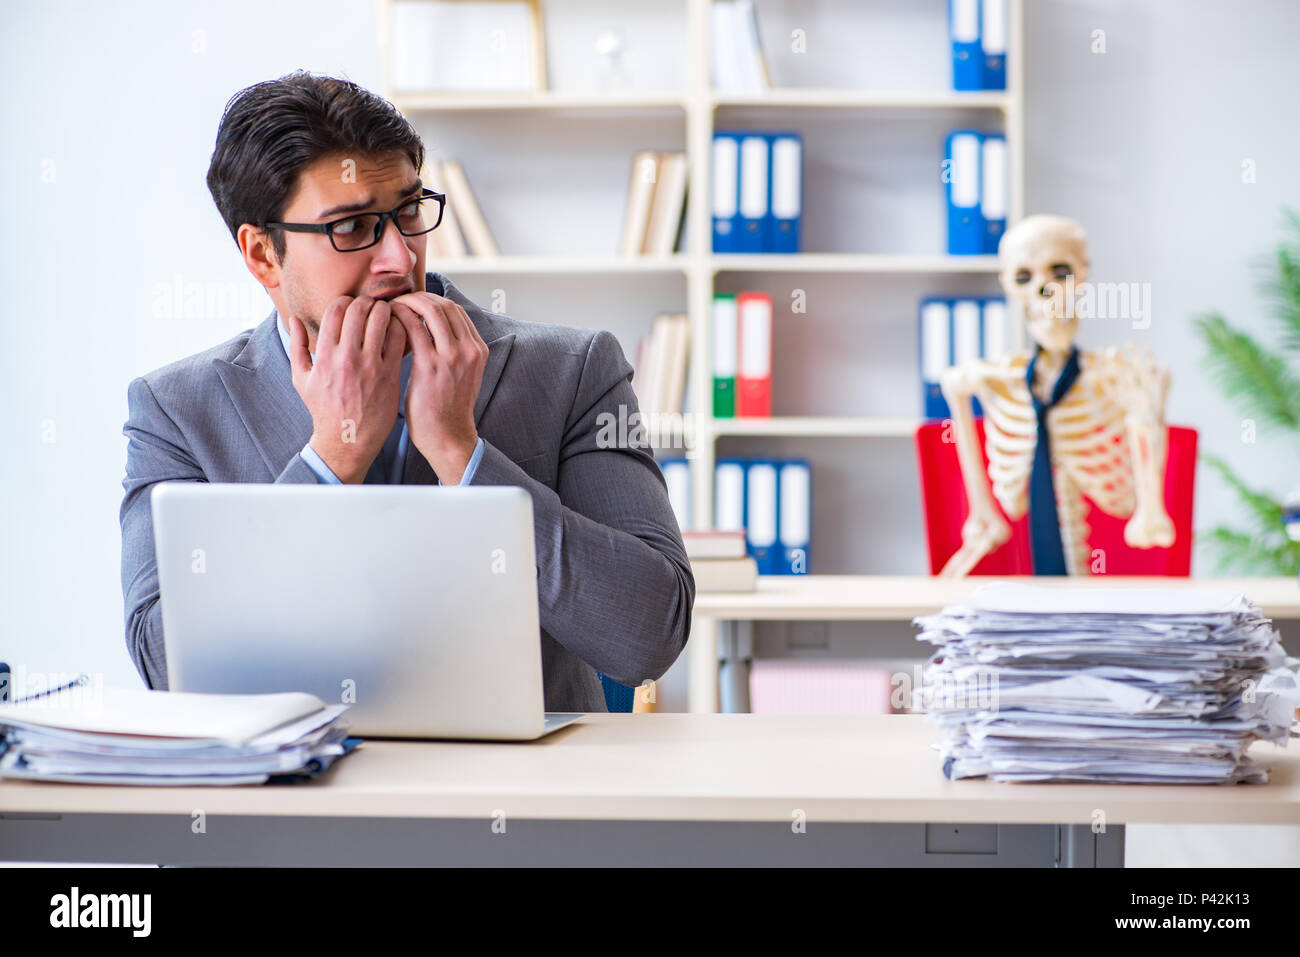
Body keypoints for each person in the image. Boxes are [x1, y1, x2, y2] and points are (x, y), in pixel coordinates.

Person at [119, 72, 694, 711]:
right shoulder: (175, 410)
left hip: (524, 793)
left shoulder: (573, 370)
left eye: (407, 212)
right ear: (262, 256)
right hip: (294, 800)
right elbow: (166, 664)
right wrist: (330, 461)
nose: (399, 257)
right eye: (352, 226)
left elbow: (649, 637)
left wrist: (461, 454)